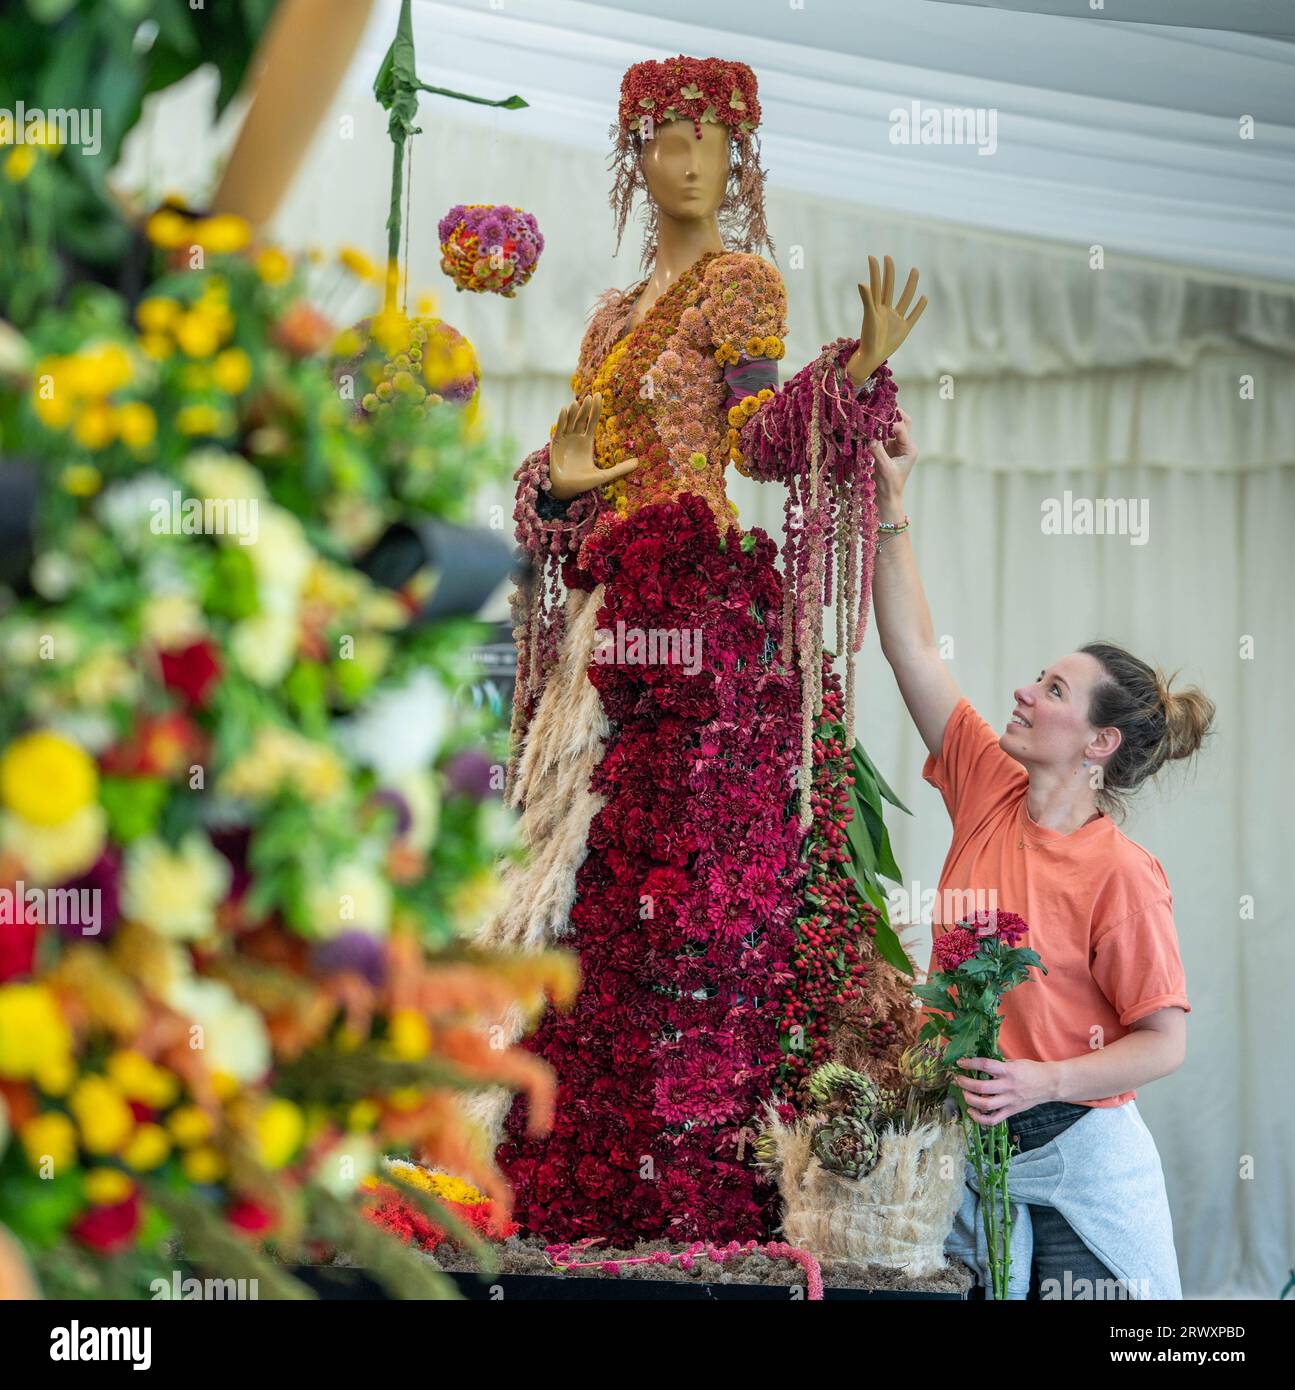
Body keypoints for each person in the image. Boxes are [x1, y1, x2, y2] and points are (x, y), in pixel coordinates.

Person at [468, 55, 924, 1243]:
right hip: (605, 620)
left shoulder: (742, 285)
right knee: (579, 881)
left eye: (706, 143)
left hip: (700, 622)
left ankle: (686, 1163)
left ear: (738, 160)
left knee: (683, 885)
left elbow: (759, 443)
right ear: (634, 158)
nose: (685, 162)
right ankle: (565, 1154)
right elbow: (572, 469)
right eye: (663, 141)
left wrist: (850, 377)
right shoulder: (608, 318)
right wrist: (561, 491)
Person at [868, 409, 1215, 1298]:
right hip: (969, 1148)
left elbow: (1162, 1043)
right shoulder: (987, 782)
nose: (1023, 691)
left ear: (1097, 745)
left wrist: (1042, 1078)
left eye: (1053, 690)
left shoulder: (1120, 876)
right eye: (1037, 677)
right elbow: (910, 649)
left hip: (1077, 1157)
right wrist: (890, 503)